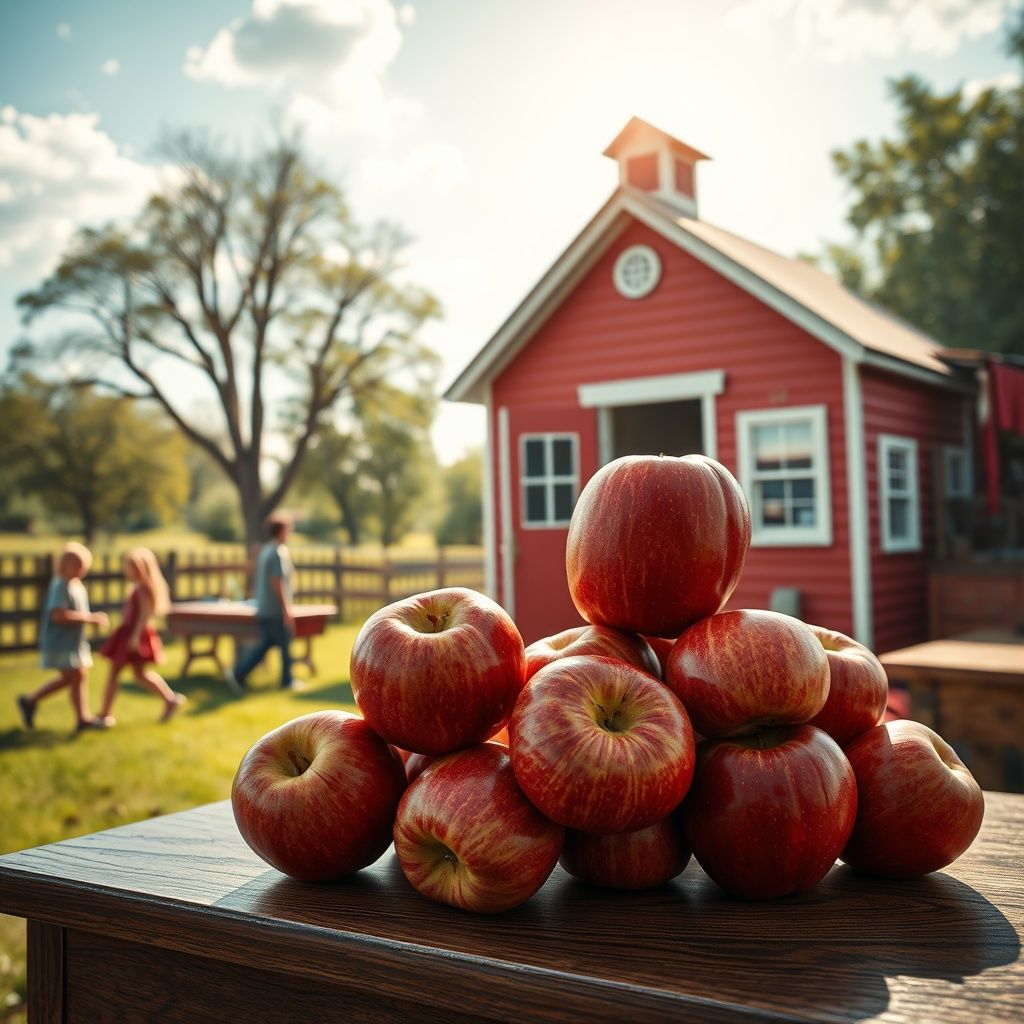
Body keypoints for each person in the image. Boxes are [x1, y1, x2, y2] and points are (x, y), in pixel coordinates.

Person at [16, 542, 110, 732]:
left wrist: (89, 619)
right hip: (60, 642)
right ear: (66, 565)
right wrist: (89, 618)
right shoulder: (60, 585)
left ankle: (82, 718)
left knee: (79, 675)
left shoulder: (77, 585)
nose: (82, 571)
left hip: (74, 642)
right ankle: (30, 700)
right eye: (79, 566)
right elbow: (58, 616)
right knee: (71, 677)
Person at [98, 547, 186, 724]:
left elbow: (145, 615)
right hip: (131, 632)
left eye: (130, 567)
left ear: (140, 568)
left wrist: (135, 636)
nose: (127, 571)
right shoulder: (138, 587)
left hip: (133, 634)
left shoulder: (143, 589)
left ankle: (105, 714)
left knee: (115, 673)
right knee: (139, 674)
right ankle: (170, 699)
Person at [230, 514, 298, 690]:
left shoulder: (266, 550)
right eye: (288, 529)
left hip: (264, 607)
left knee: (267, 643)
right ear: (281, 531)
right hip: (274, 609)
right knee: (283, 642)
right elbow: (277, 582)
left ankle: (239, 674)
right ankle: (286, 680)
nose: (289, 533)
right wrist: (286, 610)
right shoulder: (277, 552)